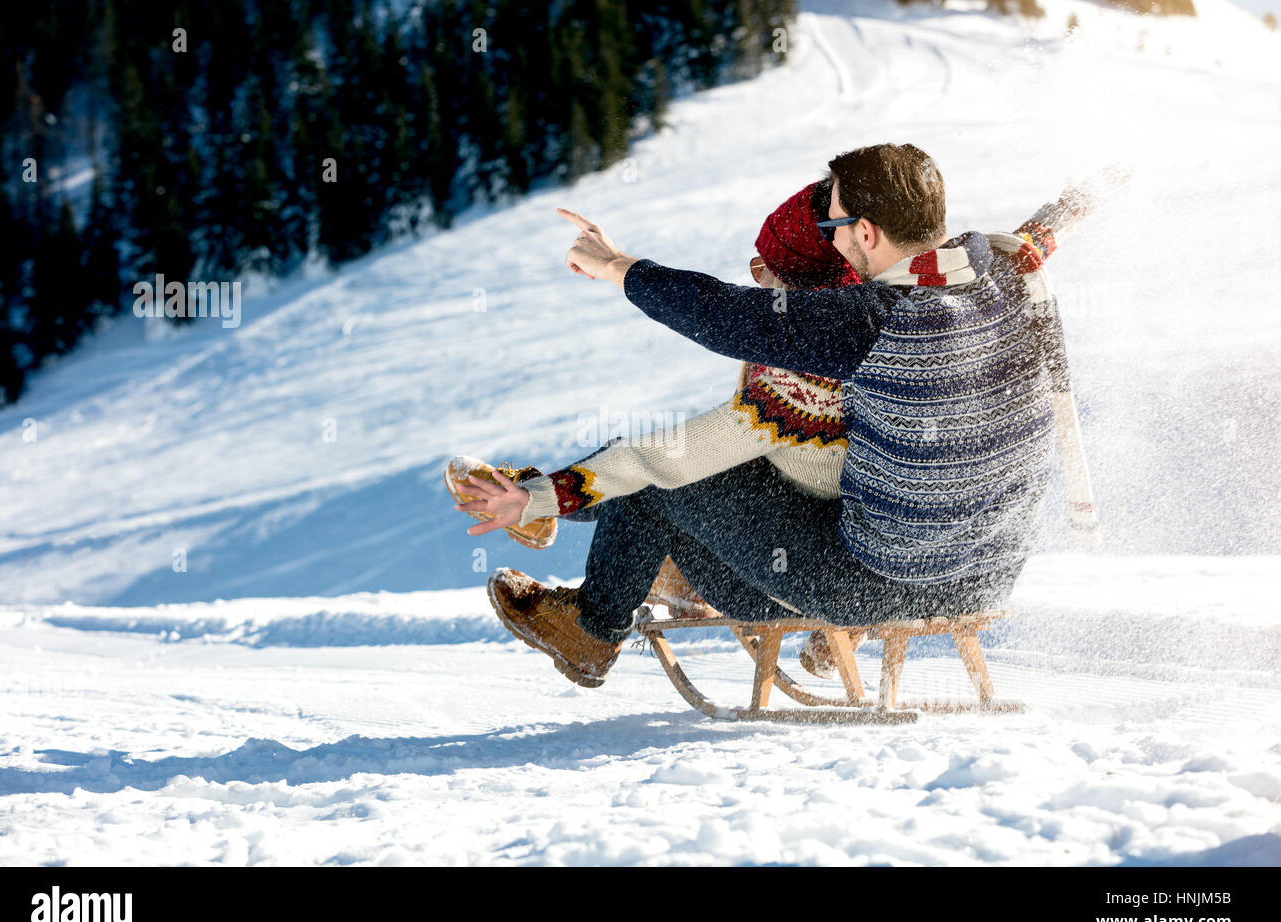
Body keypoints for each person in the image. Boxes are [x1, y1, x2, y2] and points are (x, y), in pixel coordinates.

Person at [456, 143, 1086, 689]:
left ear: (866, 233)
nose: (833, 236)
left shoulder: (865, 323)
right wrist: (1094, 188)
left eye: (836, 223)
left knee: (657, 480)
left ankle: (591, 629)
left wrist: (615, 266)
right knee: (697, 470)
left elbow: (720, 321)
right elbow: (1042, 229)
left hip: (876, 584)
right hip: (989, 576)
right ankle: (569, 525)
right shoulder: (1005, 272)